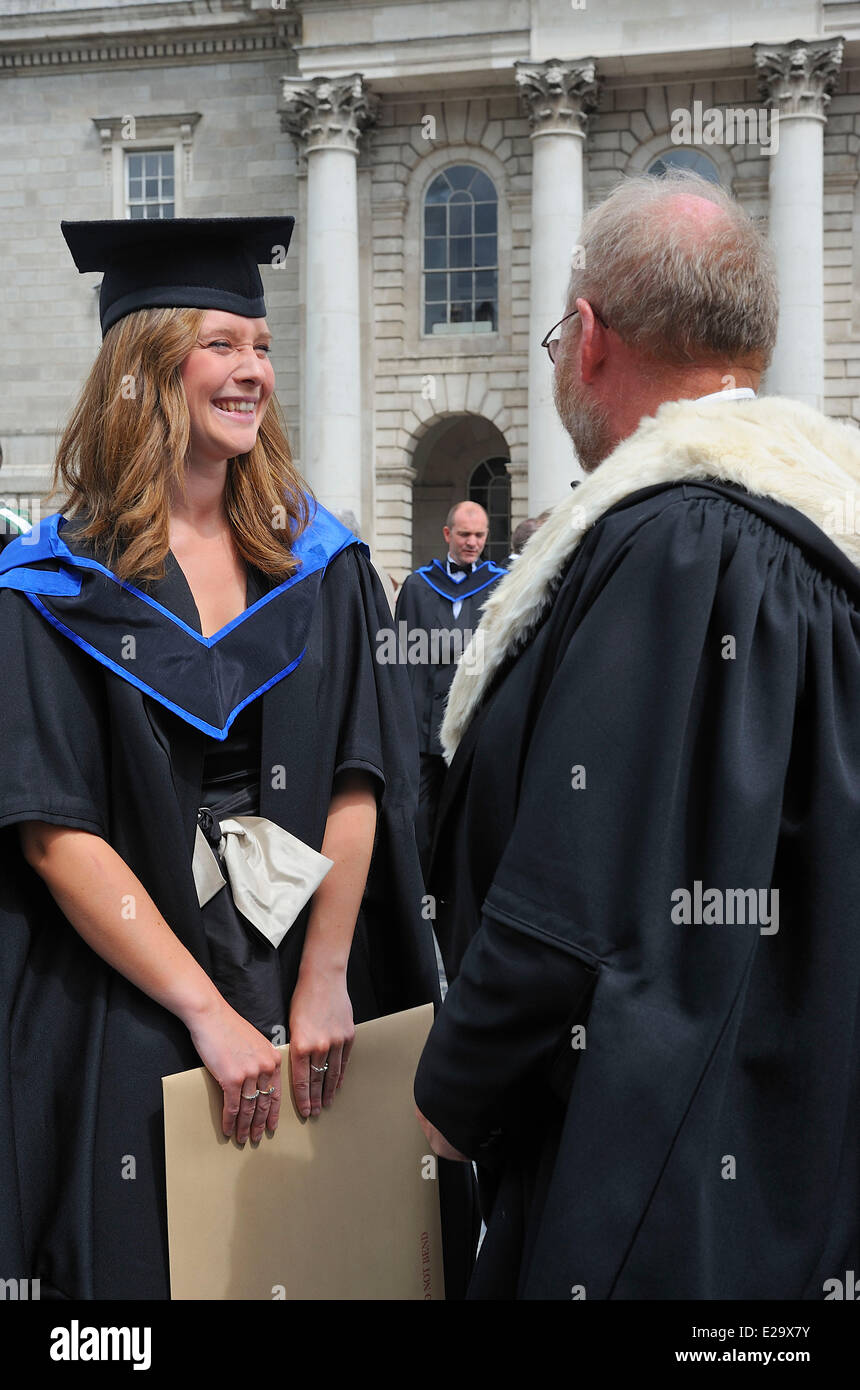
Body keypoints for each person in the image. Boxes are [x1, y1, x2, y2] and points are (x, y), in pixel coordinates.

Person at [414, 170, 860, 1299]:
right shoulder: (807, 539)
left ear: (594, 338)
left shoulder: (676, 545)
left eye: (561, 333)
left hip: (641, 1170)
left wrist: (454, 1090)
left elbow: (573, 898)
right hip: (788, 1144)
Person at [0, 216, 440, 1299]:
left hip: (302, 961)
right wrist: (204, 1009)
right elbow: (56, 827)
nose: (253, 370)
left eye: (261, 344)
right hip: (134, 977)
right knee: (140, 1268)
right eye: (222, 344)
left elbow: (359, 772)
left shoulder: (322, 563)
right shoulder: (50, 590)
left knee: (326, 1250)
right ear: (146, 369)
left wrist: (327, 981)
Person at [394, 501, 506, 872]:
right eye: (464, 535)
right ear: (447, 535)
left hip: (473, 727)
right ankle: (419, 907)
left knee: (467, 821)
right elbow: (400, 658)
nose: (472, 542)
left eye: (479, 535)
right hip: (424, 732)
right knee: (419, 824)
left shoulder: (500, 586)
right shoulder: (415, 586)